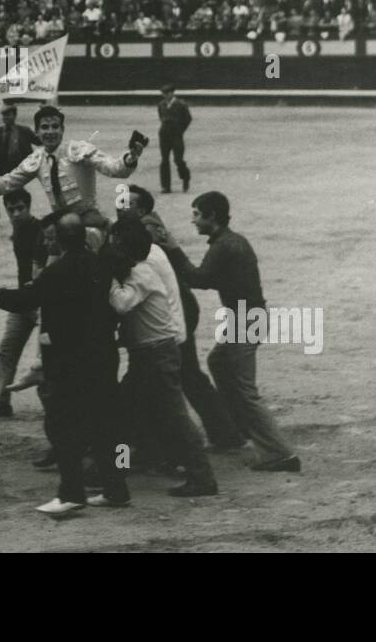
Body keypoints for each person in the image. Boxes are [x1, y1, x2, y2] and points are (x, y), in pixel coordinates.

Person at [0, 214, 130, 517]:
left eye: (50, 237)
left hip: (70, 361)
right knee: (105, 427)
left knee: (64, 428)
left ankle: (71, 493)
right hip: (104, 356)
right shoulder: (98, 264)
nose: (46, 241)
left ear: (60, 239)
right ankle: (116, 488)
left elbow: (25, 300)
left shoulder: (57, 271)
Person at [121, 185, 243, 449]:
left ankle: (172, 446)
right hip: (175, 307)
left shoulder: (146, 229)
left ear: (142, 209)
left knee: (175, 378)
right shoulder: (139, 225)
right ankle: (225, 434)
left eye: (127, 204)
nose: (121, 208)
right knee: (184, 375)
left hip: (174, 310)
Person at [187, 191, 300, 473]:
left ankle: (280, 454)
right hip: (248, 317)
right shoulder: (232, 241)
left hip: (245, 321)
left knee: (245, 390)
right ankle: (237, 432)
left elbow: (200, 279)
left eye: (197, 214)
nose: (193, 220)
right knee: (218, 362)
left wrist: (173, 251)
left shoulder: (224, 246)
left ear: (212, 215)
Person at [106, 218, 220, 498]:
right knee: (126, 412)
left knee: (174, 417)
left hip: (156, 354)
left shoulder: (142, 273)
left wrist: (106, 277)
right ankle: (116, 468)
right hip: (150, 354)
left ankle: (203, 477)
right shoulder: (138, 269)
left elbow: (121, 304)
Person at [0, 104, 145, 249]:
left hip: (90, 223)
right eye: (44, 127)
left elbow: (114, 168)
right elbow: (2, 185)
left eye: (55, 126)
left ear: (63, 129)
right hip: (60, 226)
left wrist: (130, 158)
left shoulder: (79, 149)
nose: (50, 132)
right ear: (37, 132)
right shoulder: (36, 159)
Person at [0, 187, 50, 418]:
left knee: (45, 358)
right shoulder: (19, 231)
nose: (15, 214)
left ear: (29, 207)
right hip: (22, 300)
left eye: (20, 209)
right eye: (11, 209)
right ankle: (1, 400)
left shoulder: (40, 231)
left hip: (38, 302)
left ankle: (56, 405)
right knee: (7, 350)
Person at [156, 83, 192, 194]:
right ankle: (166, 186)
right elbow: (161, 117)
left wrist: (180, 130)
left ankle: (185, 178)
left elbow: (188, 119)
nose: (165, 96)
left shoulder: (181, 105)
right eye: (164, 94)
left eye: (167, 93)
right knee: (164, 160)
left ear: (172, 93)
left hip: (176, 135)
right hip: (164, 135)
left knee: (178, 160)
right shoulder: (161, 104)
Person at [0, 103, 39, 176]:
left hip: (20, 166)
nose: (5, 117)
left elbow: (39, 141)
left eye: (8, 115)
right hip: (2, 167)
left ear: (14, 116)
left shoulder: (24, 131)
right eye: (4, 115)